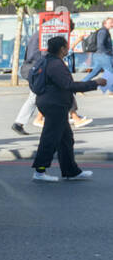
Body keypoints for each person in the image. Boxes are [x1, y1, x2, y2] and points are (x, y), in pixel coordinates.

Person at [31, 36, 106, 182]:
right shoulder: (56, 65)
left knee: (66, 140)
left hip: (52, 103)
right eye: (66, 46)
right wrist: (95, 83)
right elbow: (69, 85)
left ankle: (71, 171)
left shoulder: (47, 61)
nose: (68, 48)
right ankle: (40, 172)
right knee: (50, 139)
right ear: (62, 49)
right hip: (55, 105)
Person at [82, 16, 113, 95]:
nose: (112, 24)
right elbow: (100, 44)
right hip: (103, 55)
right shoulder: (103, 31)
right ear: (105, 23)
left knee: (94, 72)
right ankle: (111, 91)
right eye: (111, 22)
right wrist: (108, 52)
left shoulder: (105, 31)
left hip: (100, 55)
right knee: (111, 72)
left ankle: (80, 86)